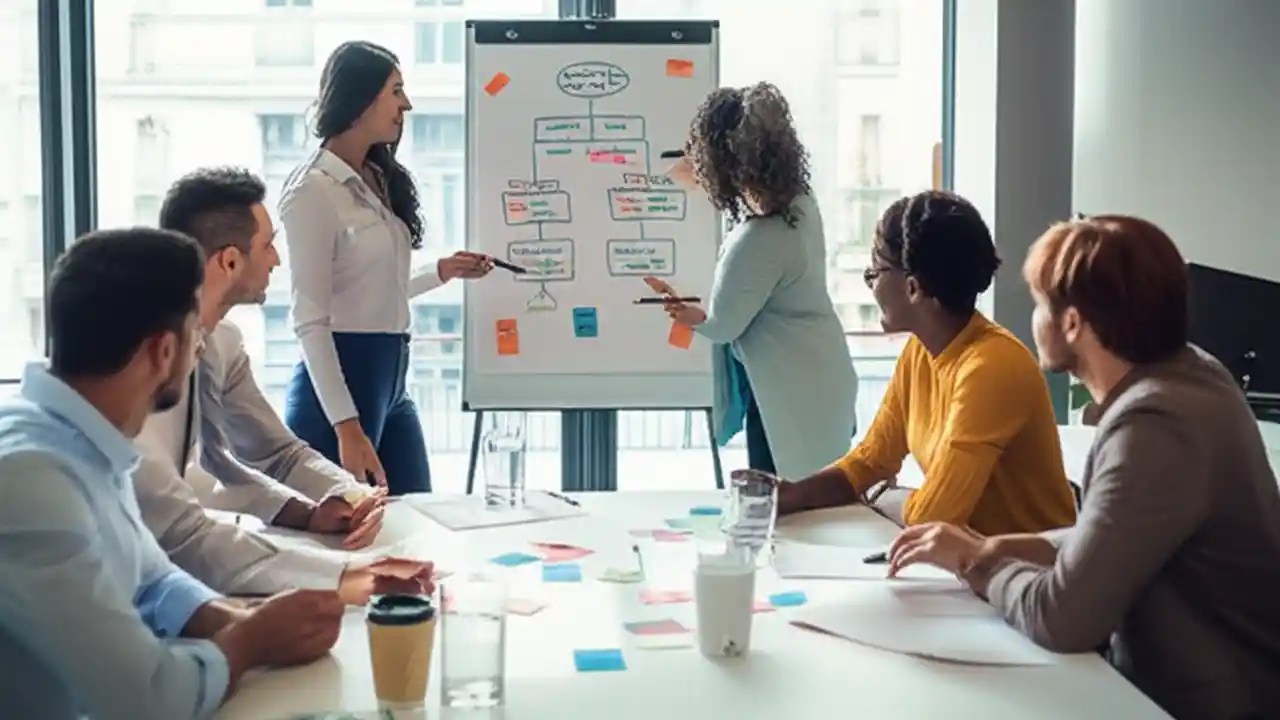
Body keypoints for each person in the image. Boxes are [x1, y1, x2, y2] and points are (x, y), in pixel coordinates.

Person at [887, 215, 1280, 720]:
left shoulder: (1155, 425)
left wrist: (973, 563)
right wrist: (1003, 546)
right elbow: (1126, 532)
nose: (1033, 320)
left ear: (1071, 323)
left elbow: (1062, 618)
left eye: (1039, 304)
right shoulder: (1194, 374)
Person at [0, 229, 360, 718]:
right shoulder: (32, 481)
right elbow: (148, 697)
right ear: (164, 352)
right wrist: (251, 641)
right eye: (196, 332)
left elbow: (152, 580)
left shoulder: (82, 437)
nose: (202, 347)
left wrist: (233, 617)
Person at [133, 166, 433, 603]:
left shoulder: (224, 342)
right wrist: (346, 576)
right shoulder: (138, 362)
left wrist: (347, 498)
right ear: (229, 261)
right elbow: (186, 526)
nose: (275, 259)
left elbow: (275, 451)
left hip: (179, 577)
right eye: (268, 245)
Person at [770, 191, 1077, 536]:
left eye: (876, 272)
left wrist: (886, 496)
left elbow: (933, 517)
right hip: (970, 558)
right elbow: (871, 460)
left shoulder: (991, 367)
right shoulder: (920, 351)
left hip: (1032, 564)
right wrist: (790, 495)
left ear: (913, 288)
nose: (872, 286)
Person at [280, 40, 493, 494]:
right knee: (350, 529)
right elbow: (309, 320)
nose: (406, 104)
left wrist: (442, 270)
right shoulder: (313, 191)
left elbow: (371, 286)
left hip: (391, 381)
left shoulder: (374, 178)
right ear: (361, 98)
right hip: (342, 388)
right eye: (396, 91)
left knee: (416, 513)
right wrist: (346, 427)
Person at [647, 82, 858, 479]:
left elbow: (723, 326)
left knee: (781, 502)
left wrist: (684, 312)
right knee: (813, 498)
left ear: (720, 164)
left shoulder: (760, 239)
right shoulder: (801, 206)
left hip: (786, 396)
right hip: (821, 376)